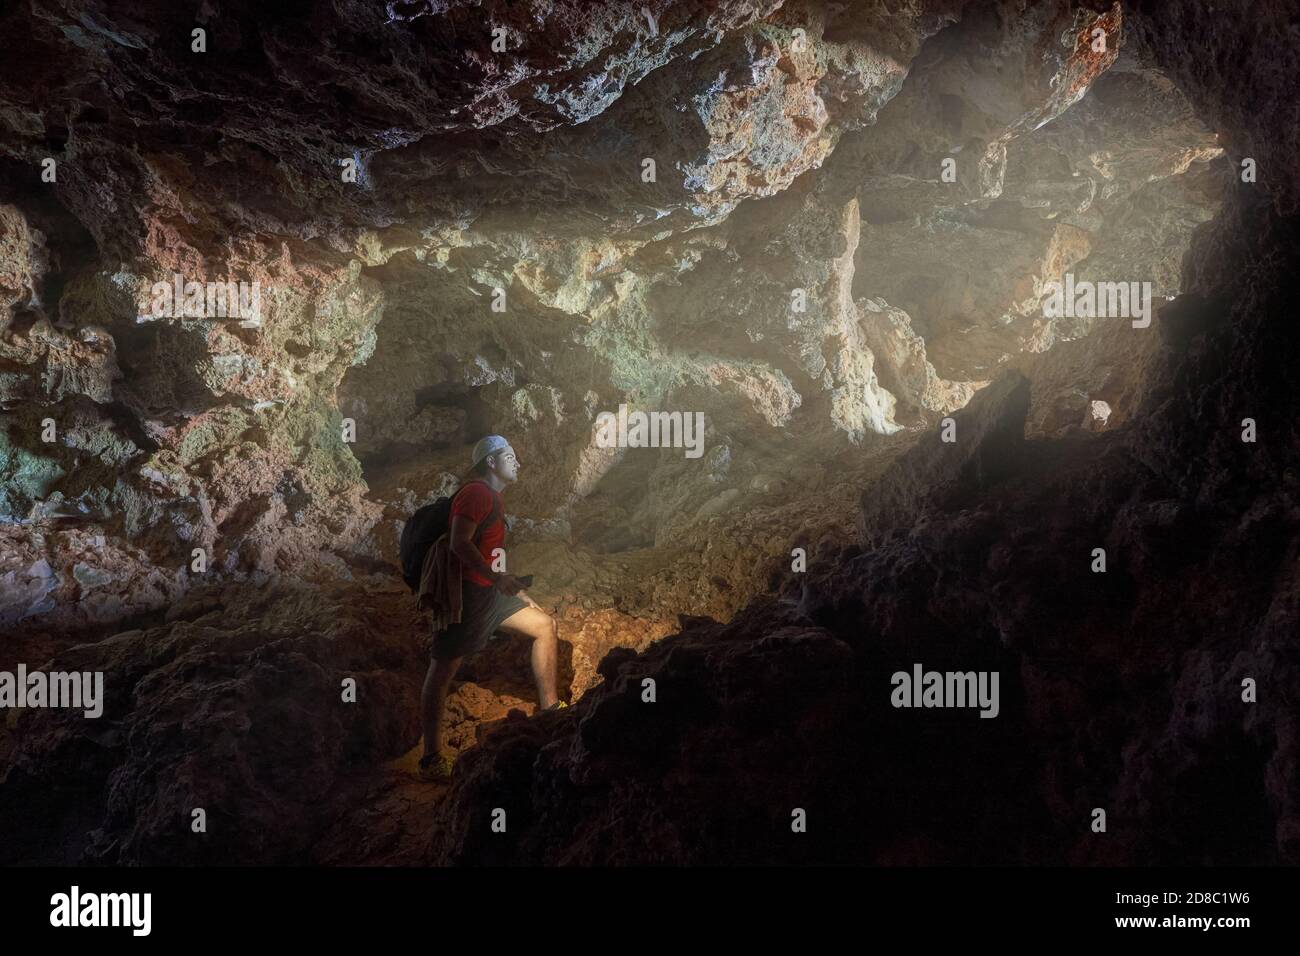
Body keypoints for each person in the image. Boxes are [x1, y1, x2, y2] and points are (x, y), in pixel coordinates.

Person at [418, 435, 565, 782]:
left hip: (489, 594)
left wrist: (509, 587)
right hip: (466, 601)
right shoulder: (477, 494)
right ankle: (430, 759)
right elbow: (459, 543)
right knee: (441, 673)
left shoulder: (492, 497)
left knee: (544, 626)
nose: (518, 463)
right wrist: (495, 580)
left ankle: (551, 710)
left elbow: (483, 550)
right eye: (510, 456)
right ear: (490, 462)